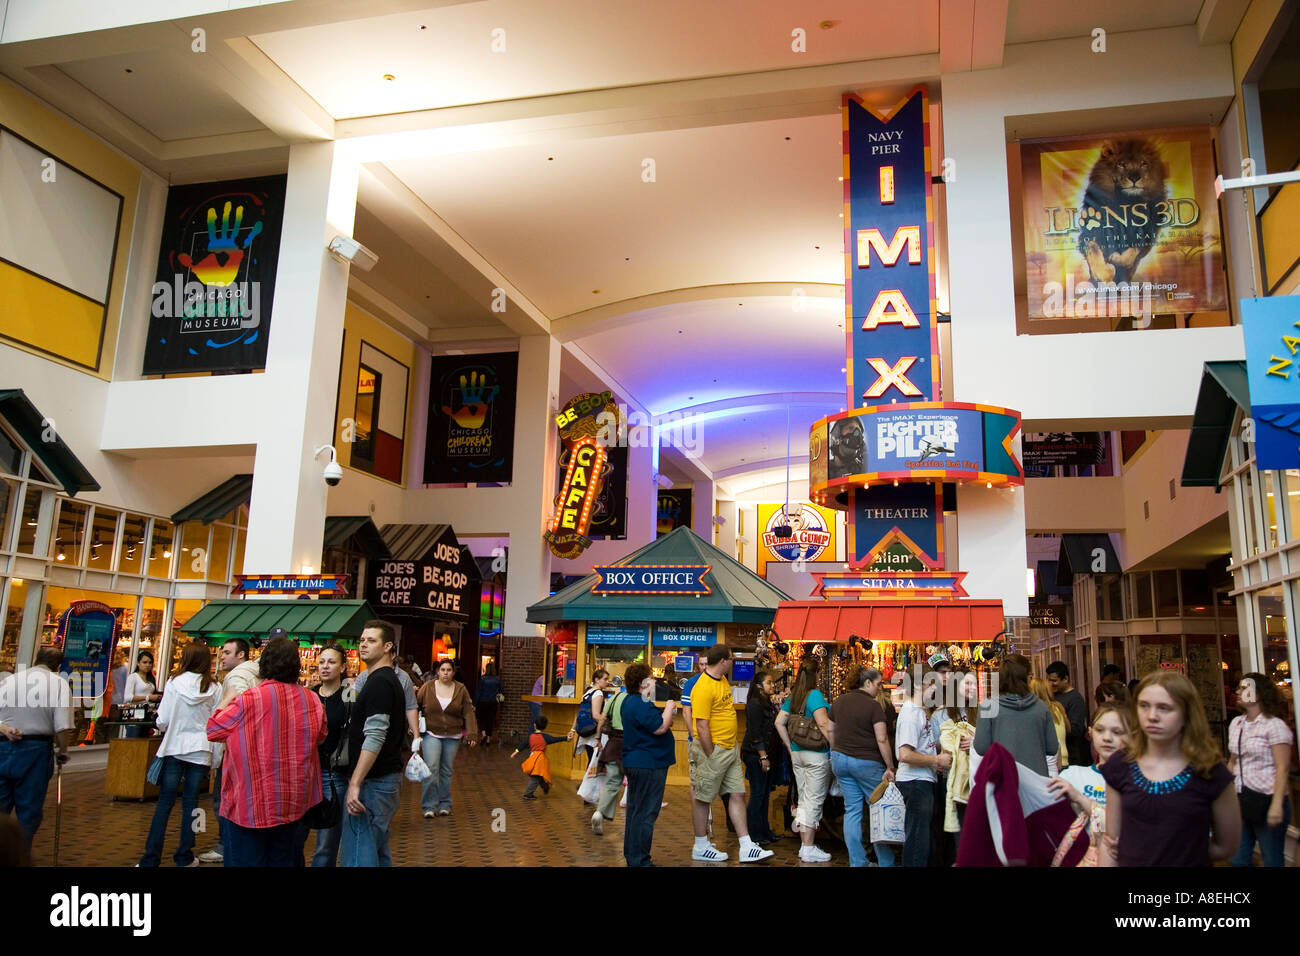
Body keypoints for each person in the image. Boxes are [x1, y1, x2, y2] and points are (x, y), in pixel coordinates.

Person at [205, 637, 325, 866]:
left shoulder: (248, 699)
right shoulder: (312, 699)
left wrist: (226, 699)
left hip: (250, 802)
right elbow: (321, 736)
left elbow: (214, 730)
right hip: (293, 800)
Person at [1100, 671, 1239, 867]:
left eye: (1164, 708)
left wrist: (1184, 852)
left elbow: (1227, 846)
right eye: (1144, 706)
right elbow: (1111, 842)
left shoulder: (1209, 770)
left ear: (1186, 714)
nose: (1152, 716)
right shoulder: (1120, 765)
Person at [688, 644, 773, 863]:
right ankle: (700, 845)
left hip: (730, 748)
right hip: (713, 749)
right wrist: (711, 754)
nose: (734, 661)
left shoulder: (722, 680)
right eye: (731, 658)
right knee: (703, 798)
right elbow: (702, 725)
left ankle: (746, 845)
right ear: (723, 661)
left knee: (737, 793)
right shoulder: (703, 686)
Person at [138, 644, 220, 867]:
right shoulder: (214, 687)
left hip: (175, 746)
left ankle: (150, 858)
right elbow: (216, 722)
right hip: (201, 749)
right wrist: (215, 758)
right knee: (193, 805)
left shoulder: (174, 682)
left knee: (164, 803)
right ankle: (185, 854)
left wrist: (166, 725)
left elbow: (163, 719)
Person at [340, 621, 407, 867]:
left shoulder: (380, 682)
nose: (363, 645)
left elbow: (376, 735)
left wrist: (355, 782)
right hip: (382, 779)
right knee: (376, 850)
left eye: (371, 640)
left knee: (360, 852)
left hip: (374, 781)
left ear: (388, 646)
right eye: (361, 640)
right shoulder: (379, 679)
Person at [0, 647, 73, 848]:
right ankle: (20, 855)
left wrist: (4, 728)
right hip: (35, 750)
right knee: (28, 810)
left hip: (3, 746)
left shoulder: (10, 680)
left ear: (36, 659)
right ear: (58, 666)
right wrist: (63, 751)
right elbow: (63, 726)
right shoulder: (59, 684)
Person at [1047, 702, 1131, 866]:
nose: (1107, 738)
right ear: (1090, 732)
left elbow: (1118, 829)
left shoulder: (1135, 782)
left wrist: (1079, 798)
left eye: (1117, 732)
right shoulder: (1071, 776)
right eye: (1100, 730)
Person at [830, 665, 896, 868]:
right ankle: (886, 862)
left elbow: (831, 730)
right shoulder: (873, 706)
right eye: (878, 683)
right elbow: (882, 739)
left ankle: (857, 862)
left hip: (841, 760)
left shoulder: (839, 701)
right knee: (879, 812)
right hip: (867, 763)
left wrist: (836, 751)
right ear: (867, 683)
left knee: (852, 811)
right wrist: (890, 766)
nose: (879, 687)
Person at [1227, 672, 1293, 867]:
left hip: (1267, 798)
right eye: (1239, 688)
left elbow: (1282, 767)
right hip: (1242, 798)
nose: (1238, 692)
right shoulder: (1236, 724)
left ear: (1258, 693)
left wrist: (1276, 804)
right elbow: (1232, 761)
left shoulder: (1274, 726)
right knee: (1238, 858)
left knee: (1271, 858)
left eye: (1244, 688)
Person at [775, 656, 833, 863]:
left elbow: (779, 722)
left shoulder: (794, 696)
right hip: (815, 755)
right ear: (815, 675)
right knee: (813, 800)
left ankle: (804, 845)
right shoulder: (814, 695)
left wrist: (789, 746)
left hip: (797, 754)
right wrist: (837, 746)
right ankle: (808, 847)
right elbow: (824, 724)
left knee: (804, 799)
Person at [620, 662, 677, 866]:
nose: (654, 681)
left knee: (636, 811)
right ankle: (640, 859)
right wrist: (669, 708)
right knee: (646, 813)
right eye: (651, 678)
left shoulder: (630, 701)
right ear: (643, 682)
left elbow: (658, 723)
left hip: (637, 762)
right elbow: (660, 727)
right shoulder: (641, 703)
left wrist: (665, 718)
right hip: (649, 763)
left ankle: (633, 855)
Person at [895, 665, 950, 866]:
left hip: (921, 780)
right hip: (915, 781)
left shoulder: (919, 711)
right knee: (918, 839)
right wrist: (936, 760)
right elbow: (905, 754)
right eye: (932, 684)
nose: (935, 689)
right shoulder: (911, 714)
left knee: (922, 837)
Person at [972, 654, 1059, 776]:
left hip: (1003, 778)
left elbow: (981, 748)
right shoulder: (1041, 707)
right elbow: (1052, 748)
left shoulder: (988, 706)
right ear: (1027, 678)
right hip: (1036, 778)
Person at [416, 659, 478, 818]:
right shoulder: (428, 687)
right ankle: (429, 806)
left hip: (453, 734)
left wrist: (471, 733)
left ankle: (445, 804)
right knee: (431, 768)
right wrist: (414, 728)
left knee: (446, 770)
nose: (445, 673)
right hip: (431, 733)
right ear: (437, 671)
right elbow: (416, 705)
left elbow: (468, 711)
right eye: (442, 670)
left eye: (449, 670)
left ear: (453, 672)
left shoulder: (460, 689)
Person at [309, 644, 350, 867]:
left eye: (331, 662)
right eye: (322, 662)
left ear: (342, 667)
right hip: (306, 772)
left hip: (333, 773)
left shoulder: (350, 697)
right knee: (296, 836)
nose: (325, 666)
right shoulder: (309, 694)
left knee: (326, 842)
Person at [740, 669, 782, 846]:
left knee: (764, 794)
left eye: (773, 682)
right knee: (758, 794)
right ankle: (754, 834)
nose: (773, 685)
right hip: (755, 754)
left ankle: (765, 831)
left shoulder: (766, 703)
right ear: (759, 686)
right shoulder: (755, 704)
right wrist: (763, 756)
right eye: (769, 683)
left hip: (764, 753)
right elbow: (755, 733)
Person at [938, 669, 979, 839]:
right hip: (950, 778)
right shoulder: (941, 715)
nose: (973, 688)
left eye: (975, 684)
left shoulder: (982, 712)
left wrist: (976, 743)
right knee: (956, 829)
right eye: (968, 683)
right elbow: (935, 745)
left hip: (976, 777)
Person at [591, 677, 630, 835]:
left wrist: (598, 738)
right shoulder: (637, 701)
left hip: (612, 744)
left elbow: (602, 720)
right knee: (635, 782)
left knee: (613, 782)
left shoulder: (614, 698)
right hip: (629, 745)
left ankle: (599, 813)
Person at [514, 716, 575, 798]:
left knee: (536, 775)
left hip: (532, 757)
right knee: (536, 776)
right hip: (540, 759)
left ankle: (542, 787)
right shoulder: (545, 737)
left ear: (534, 725)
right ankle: (529, 793)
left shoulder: (530, 736)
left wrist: (515, 752)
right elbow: (555, 739)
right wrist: (566, 738)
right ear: (545, 726)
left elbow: (523, 745)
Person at [1046, 661, 1089, 766]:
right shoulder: (1054, 695)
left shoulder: (1075, 699)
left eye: (1054, 680)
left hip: (1072, 757)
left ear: (1065, 679)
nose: (1050, 684)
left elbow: (1076, 731)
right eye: (1048, 680)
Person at [572, 668, 610, 768]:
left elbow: (578, 714)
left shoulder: (587, 693)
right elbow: (596, 715)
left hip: (586, 731)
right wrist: (609, 724)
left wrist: (572, 729)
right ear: (597, 680)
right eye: (605, 679)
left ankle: (588, 778)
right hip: (594, 733)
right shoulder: (598, 693)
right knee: (595, 763)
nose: (607, 682)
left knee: (591, 760)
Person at [1030, 677, 1070, 770]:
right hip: (1064, 758)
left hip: (1050, 761)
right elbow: (1068, 729)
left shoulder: (1038, 711)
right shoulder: (1058, 706)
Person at [474, 662, 503, 746]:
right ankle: (488, 740)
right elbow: (501, 691)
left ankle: (484, 735)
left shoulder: (482, 679)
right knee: (490, 720)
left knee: (482, 719)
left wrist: (475, 704)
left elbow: (478, 692)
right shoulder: (497, 679)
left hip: (482, 702)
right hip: (493, 702)